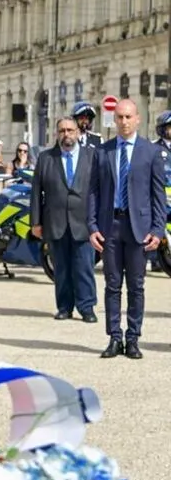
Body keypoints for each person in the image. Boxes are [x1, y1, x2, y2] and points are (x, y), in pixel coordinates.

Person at [88, 99, 166, 360]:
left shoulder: (150, 152)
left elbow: (158, 196)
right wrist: (91, 226)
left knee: (137, 286)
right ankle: (114, 337)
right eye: (119, 117)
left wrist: (158, 229)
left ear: (137, 119)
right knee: (112, 285)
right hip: (110, 226)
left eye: (128, 117)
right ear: (114, 119)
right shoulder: (103, 151)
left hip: (139, 228)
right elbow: (93, 193)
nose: (123, 122)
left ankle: (133, 338)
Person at [29, 117, 98, 322]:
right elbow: (36, 192)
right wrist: (35, 222)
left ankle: (87, 307)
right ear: (56, 134)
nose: (66, 134)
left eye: (70, 130)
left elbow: (100, 190)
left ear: (77, 132)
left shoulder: (92, 156)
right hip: (55, 221)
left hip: (83, 221)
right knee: (61, 267)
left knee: (84, 266)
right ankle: (64, 307)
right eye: (62, 131)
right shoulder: (46, 158)